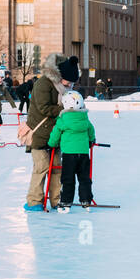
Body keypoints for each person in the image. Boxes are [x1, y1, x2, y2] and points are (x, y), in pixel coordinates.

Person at [24, 53, 75, 211]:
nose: (70, 85)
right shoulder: (43, 84)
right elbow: (44, 108)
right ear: (60, 76)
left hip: (55, 134)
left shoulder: (63, 87)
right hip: (39, 133)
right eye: (69, 81)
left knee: (57, 169)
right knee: (42, 167)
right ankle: (34, 201)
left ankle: (56, 200)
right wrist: (65, 109)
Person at [48, 90, 97, 210]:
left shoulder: (63, 119)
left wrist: (51, 144)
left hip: (69, 154)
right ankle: (86, 200)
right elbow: (91, 131)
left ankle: (66, 201)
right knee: (84, 177)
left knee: (68, 178)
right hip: (83, 153)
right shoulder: (84, 118)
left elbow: (55, 134)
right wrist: (91, 140)